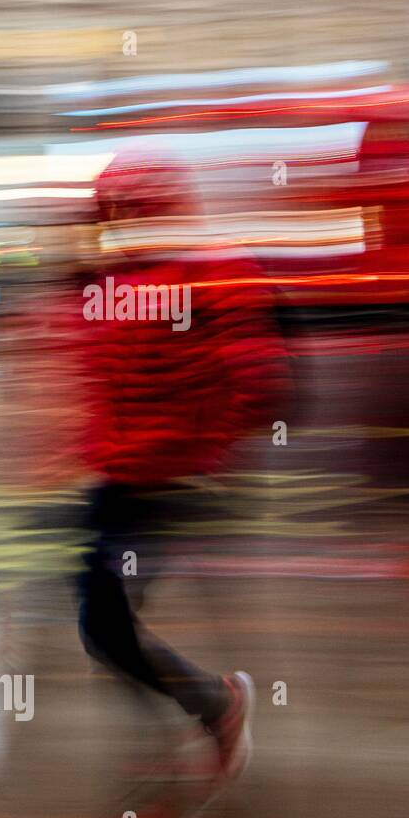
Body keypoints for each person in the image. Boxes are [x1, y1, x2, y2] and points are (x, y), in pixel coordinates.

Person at [75, 148, 288, 780]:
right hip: (120, 481)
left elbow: (257, 380)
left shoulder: (206, 276)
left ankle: (213, 710)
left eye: (121, 210)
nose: (113, 223)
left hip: (159, 483)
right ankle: (202, 717)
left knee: (105, 624)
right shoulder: (122, 283)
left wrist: (205, 451)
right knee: (102, 623)